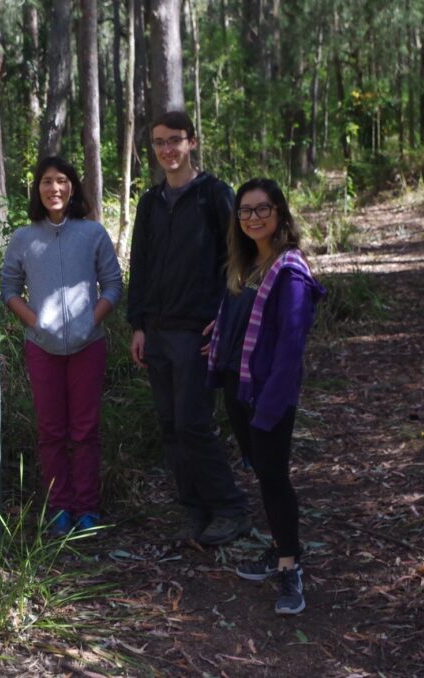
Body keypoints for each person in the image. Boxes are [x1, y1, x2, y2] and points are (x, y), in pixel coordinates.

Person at [127, 110, 250, 545]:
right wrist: (137, 324)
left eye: (175, 140)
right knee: (169, 424)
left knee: (194, 422)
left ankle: (230, 507)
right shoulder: (150, 203)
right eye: (159, 142)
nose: (167, 150)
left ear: (192, 142)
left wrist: (225, 316)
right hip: (157, 331)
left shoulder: (214, 195)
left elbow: (240, 259)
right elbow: (138, 266)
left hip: (197, 331)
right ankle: (193, 509)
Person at [205, 178, 324, 615]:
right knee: (262, 472)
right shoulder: (245, 266)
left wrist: (270, 406)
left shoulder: (290, 270)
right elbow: (240, 320)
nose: (253, 217)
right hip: (238, 387)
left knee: (274, 477)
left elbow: (291, 344)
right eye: (245, 211)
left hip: (268, 394)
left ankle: (289, 566)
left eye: (262, 209)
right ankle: (279, 547)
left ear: (279, 214)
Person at [1, 156, 123, 536]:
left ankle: (87, 508)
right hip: (42, 347)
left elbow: (113, 285)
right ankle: (59, 508)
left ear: (72, 187)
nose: (54, 188)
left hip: (89, 345)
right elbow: (8, 289)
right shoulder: (24, 237)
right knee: (51, 431)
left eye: (62, 181)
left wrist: (91, 319)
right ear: (37, 189)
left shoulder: (92, 234)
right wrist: (36, 321)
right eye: (47, 181)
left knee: (85, 430)